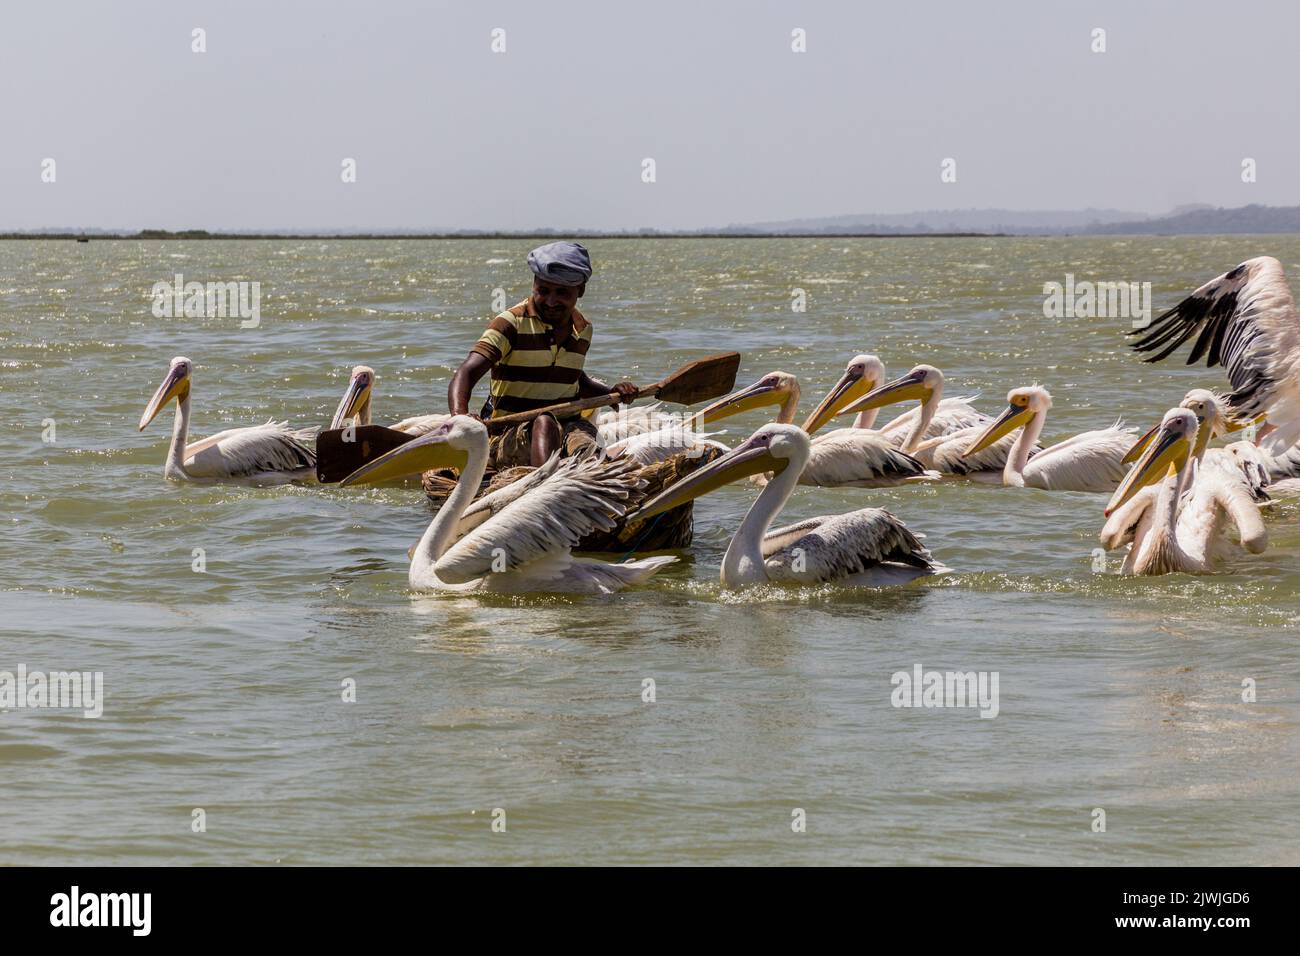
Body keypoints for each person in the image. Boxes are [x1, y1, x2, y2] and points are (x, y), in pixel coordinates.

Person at [447, 241, 636, 468]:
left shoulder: (583, 329)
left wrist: (613, 393)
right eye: (543, 291)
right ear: (534, 285)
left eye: (562, 293)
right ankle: (542, 487)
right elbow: (466, 373)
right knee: (544, 422)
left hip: (569, 426)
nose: (551, 301)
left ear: (581, 290)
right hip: (512, 432)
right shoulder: (510, 324)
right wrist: (460, 417)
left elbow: (572, 380)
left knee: (585, 444)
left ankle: (593, 479)